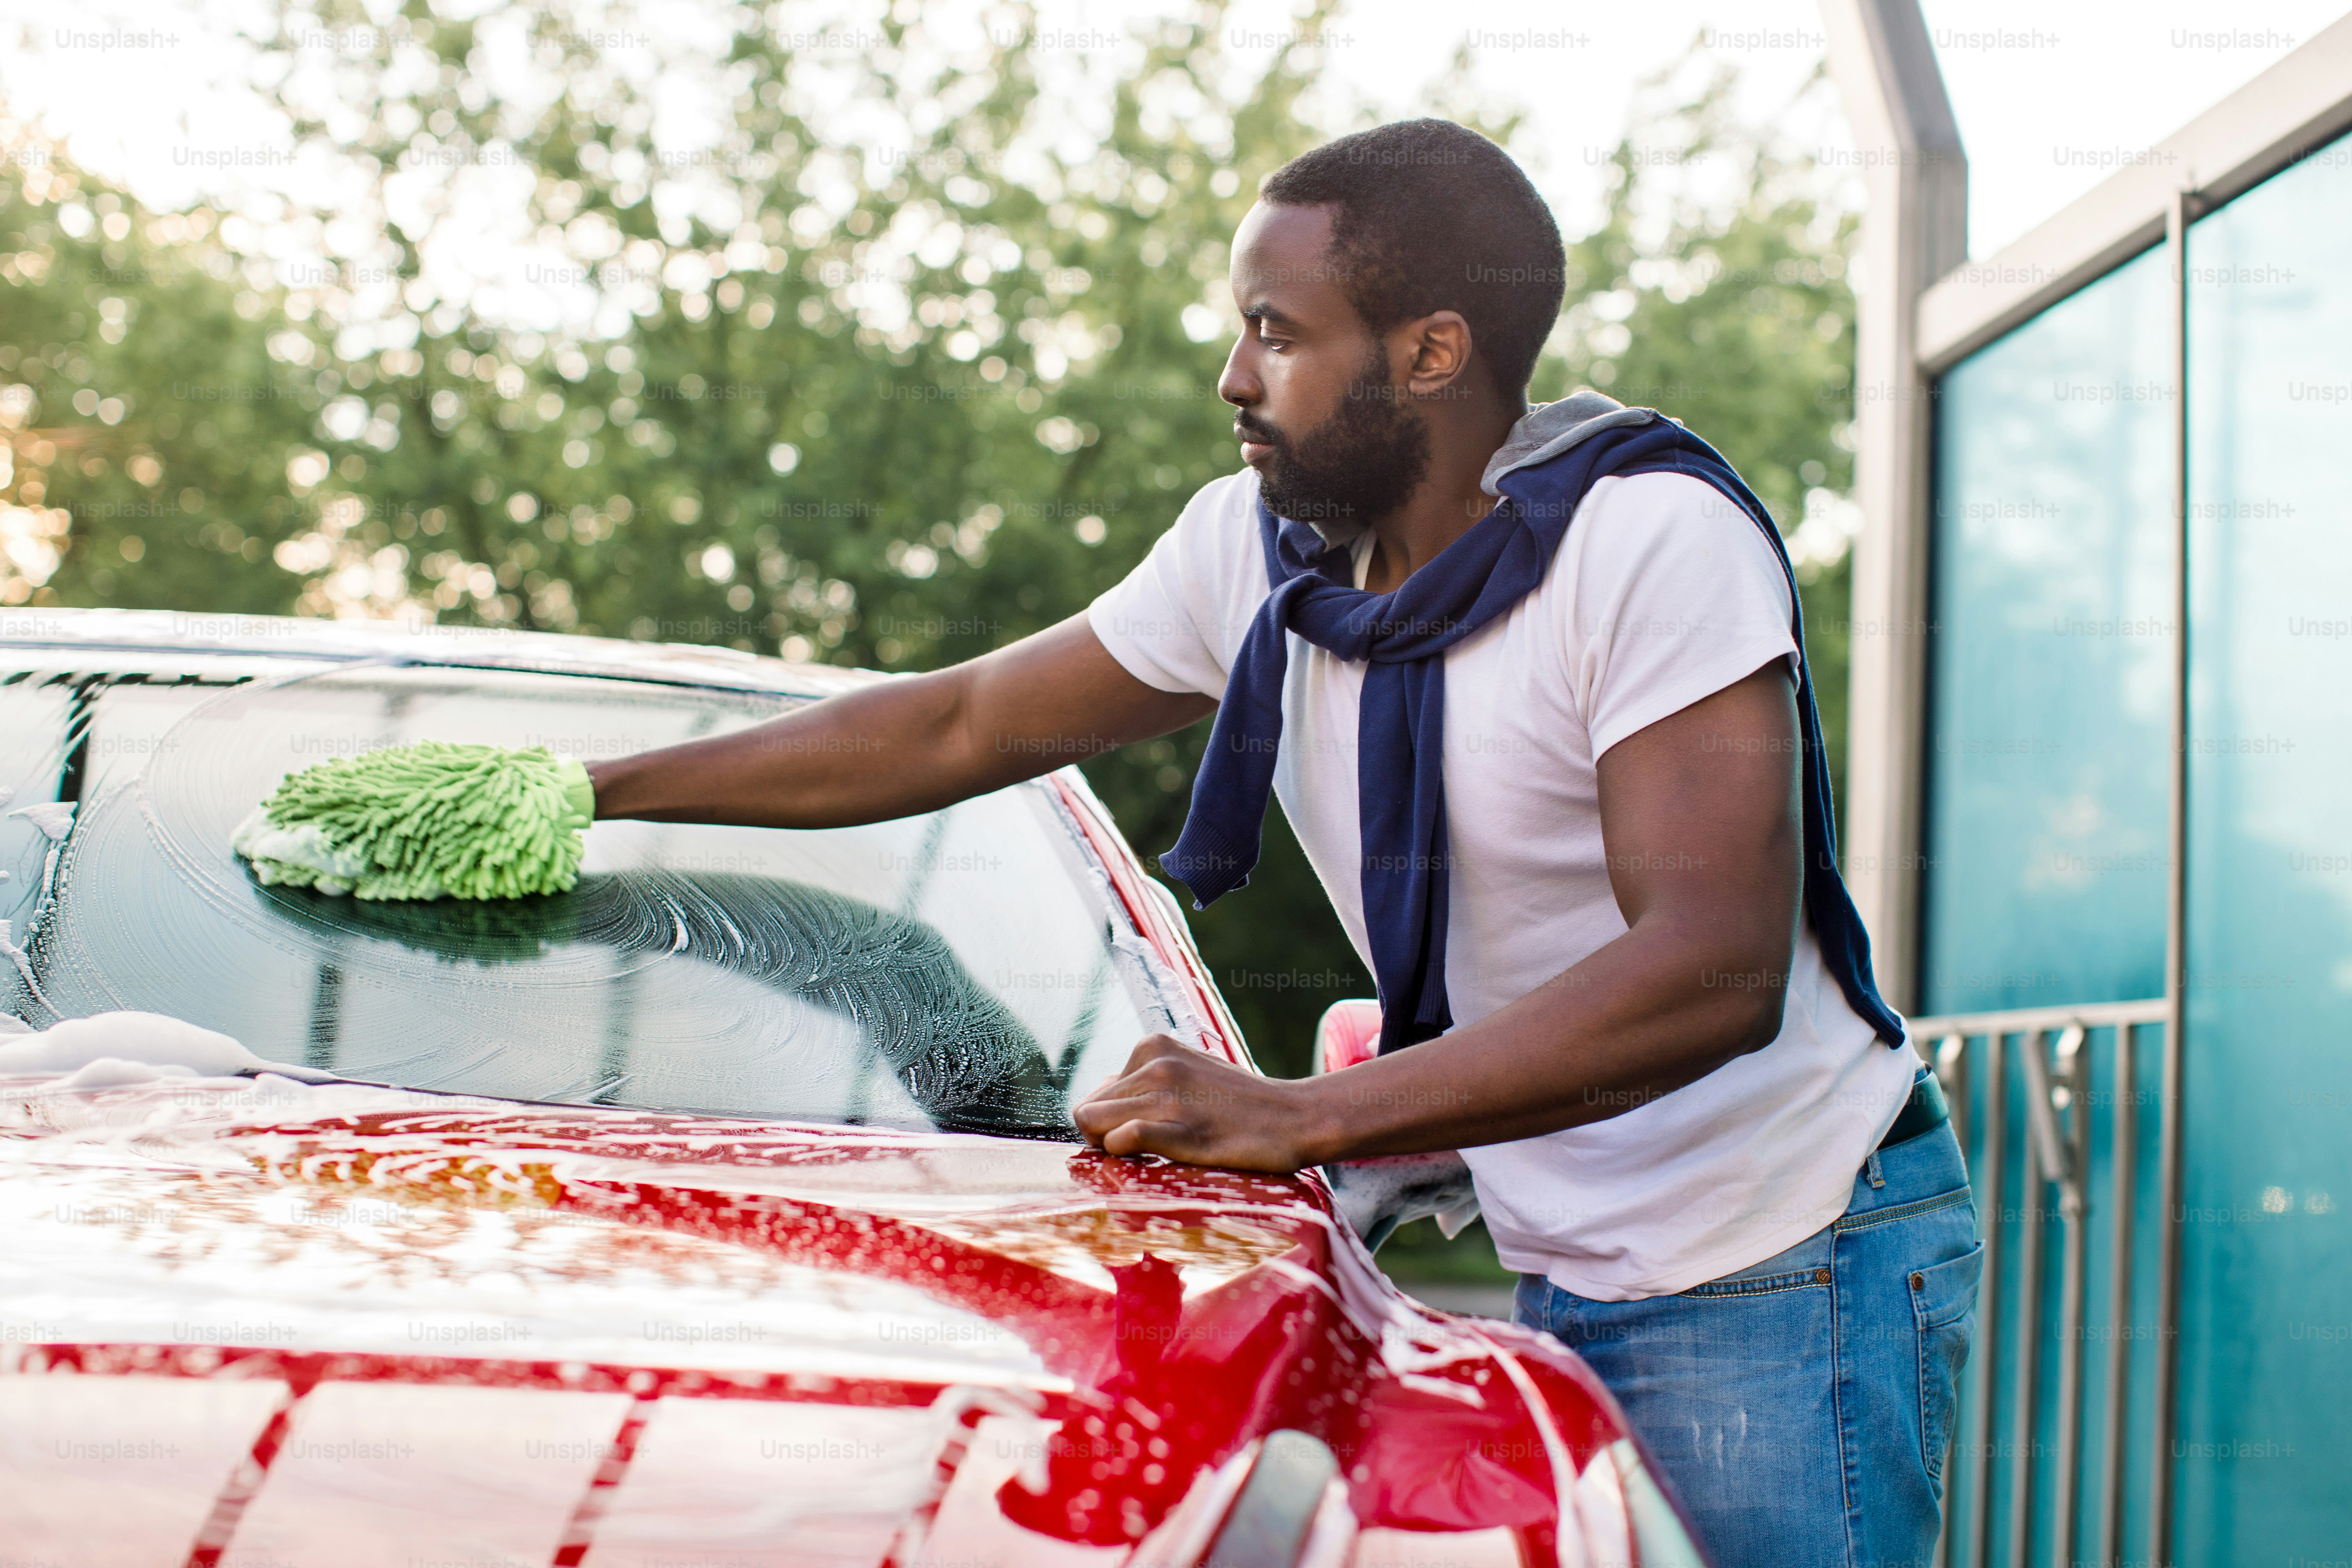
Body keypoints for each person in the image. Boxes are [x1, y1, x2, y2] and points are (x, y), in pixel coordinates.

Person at [584, 116, 1979, 1568]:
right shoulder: (1255, 552)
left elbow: (1712, 969)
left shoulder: (1644, 543)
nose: (1233, 377)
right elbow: (958, 724)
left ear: (1430, 353)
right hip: (1567, 1237)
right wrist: (601, 791)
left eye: (1275, 332)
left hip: (1776, 1251)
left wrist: (1295, 1118)